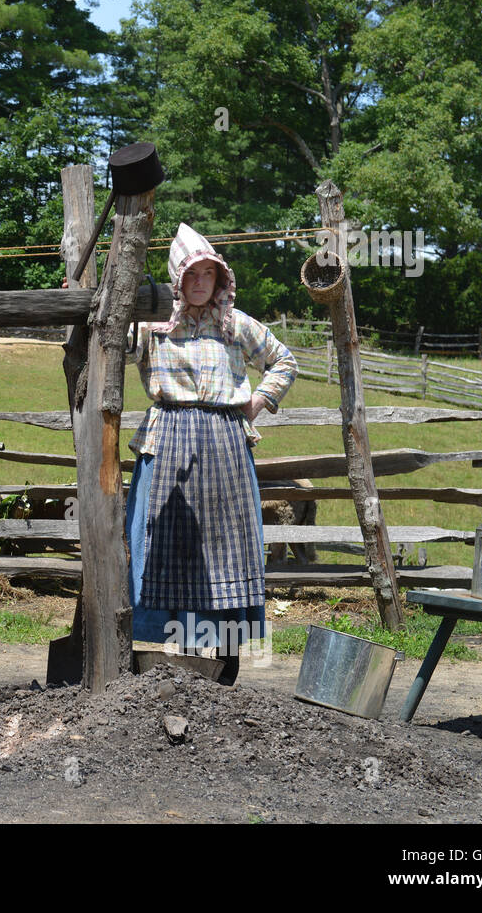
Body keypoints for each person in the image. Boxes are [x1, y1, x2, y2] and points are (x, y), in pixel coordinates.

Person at [125, 223, 298, 685]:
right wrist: (81, 305)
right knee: (158, 542)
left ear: (221, 279)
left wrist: (258, 401)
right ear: (176, 278)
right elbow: (105, 340)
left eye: (209, 273)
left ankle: (219, 658)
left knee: (223, 550)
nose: (201, 282)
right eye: (192, 274)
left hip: (224, 445)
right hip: (168, 442)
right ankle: (154, 655)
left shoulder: (236, 325)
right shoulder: (152, 327)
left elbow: (285, 360)